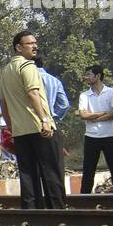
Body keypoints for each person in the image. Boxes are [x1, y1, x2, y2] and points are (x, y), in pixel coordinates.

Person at [0, 30, 63, 209]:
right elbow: (33, 93)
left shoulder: (6, 71)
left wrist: (11, 125)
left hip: (20, 130)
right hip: (39, 127)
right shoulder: (27, 66)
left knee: (28, 173)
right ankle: (57, 211)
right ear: (19, 47)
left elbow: (3, 103)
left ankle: (31, 212)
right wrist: (44, 120)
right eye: (30, 43)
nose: (35, 46)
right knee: (51, 170)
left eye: (35, 43)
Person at [78, 65, 113, 194]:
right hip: (91, 136)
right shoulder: (84, 95)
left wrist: (95, 117)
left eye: (89, 74)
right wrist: (102, 113)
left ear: (98, 76)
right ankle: (83, 201)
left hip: (110, 135)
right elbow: (83, 115)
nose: (86, 78)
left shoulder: (111, 92)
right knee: (88, 171)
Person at [36, 57, 71, 201]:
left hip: (32, 127)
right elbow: (64, 104)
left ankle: (38, 204)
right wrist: (53, 116)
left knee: (35, 168)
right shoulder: (54, 80)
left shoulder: (25, 80)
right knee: (55, 166)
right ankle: (58, 202)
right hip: (51, 126)